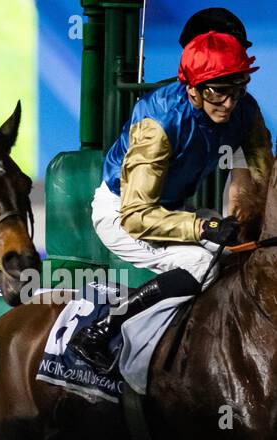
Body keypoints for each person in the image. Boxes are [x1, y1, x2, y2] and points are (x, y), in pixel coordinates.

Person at [71, 27, 271, 371]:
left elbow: (260, 164)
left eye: (238, 90)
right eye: (219, 92)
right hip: (122, 212)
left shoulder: (243, 110)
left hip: (171, 208)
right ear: (192, 90)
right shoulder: (159, 124)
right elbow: (136, 214)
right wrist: (202, 226)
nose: (230, 103)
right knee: (198, 265)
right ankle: (98, 333)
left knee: (240, 255)